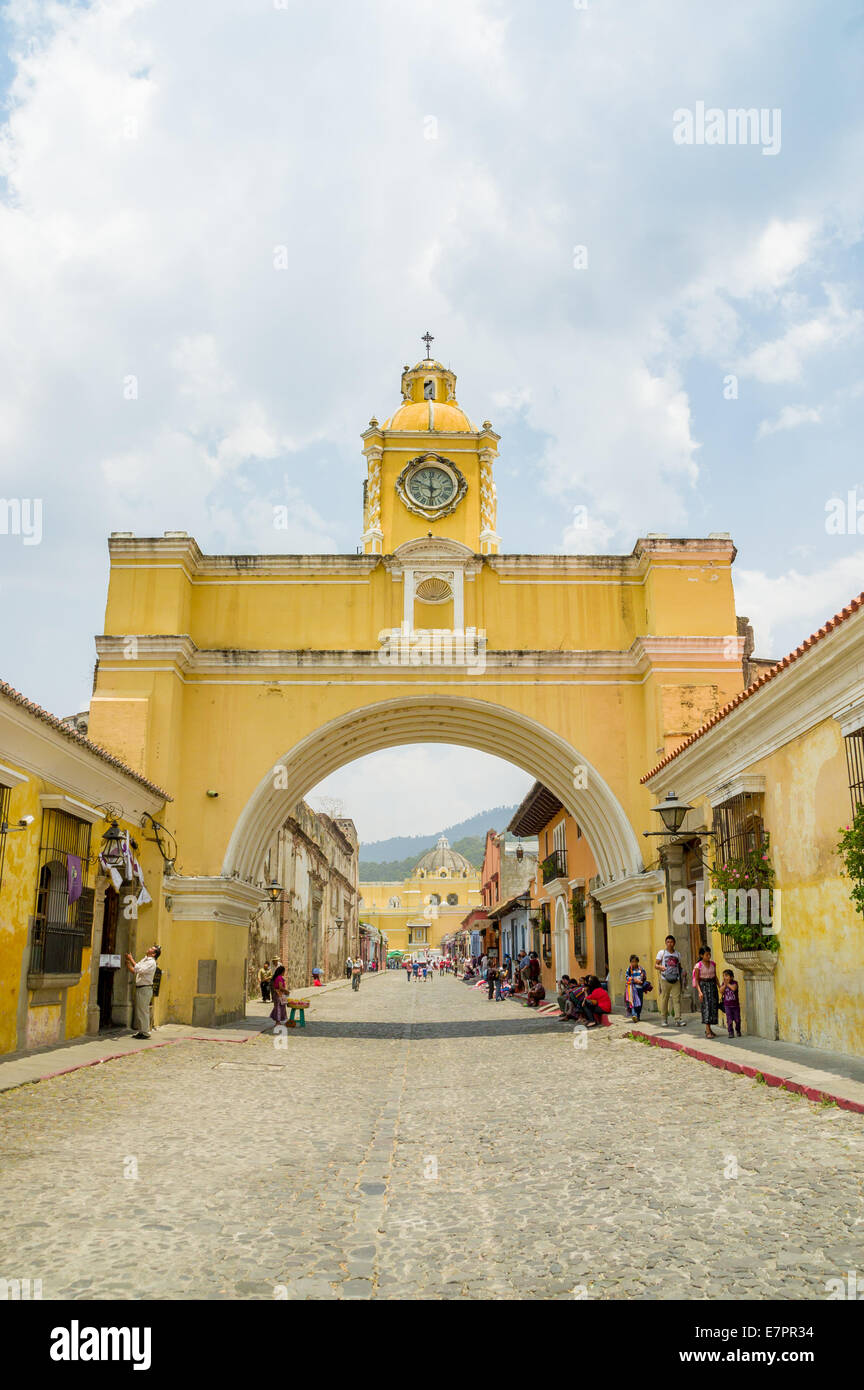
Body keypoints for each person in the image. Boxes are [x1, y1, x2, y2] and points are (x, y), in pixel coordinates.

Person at [125, 945, 161, 1039]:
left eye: (151, 949)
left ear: (153, 954)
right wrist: (129, 965)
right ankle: (141, 1031)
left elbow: (139, 969)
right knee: (140, 1011)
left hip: (145, 988)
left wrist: (131, 959)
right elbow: (136, 970)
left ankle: (145, 1032)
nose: (148, 948)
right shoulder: (145, 960)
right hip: (141, 988)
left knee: (143, 1011)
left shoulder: (152, 963)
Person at [655, 935, 686, 1027]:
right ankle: (664, 1019)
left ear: (674, 943)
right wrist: (661, 967)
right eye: (668, 942)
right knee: (665, 999)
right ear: (666, 943)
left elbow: (679, 966)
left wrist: (683, 972)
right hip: (665, 979)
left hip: (676, 979)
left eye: (671, 942)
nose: (670, 944)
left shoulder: (677, 954)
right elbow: (656, 965)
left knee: (677, 1000)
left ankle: (678, 1019)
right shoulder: (662, 953)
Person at [694, 945, 719, 1038]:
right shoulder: (698, 966)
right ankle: (707, 1030)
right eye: (706, 955)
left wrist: (719, 986)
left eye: (709, 954)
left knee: (713, 1007)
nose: (709, 956)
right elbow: (697, 980)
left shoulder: (713, 964)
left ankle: (709, 1029)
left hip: (712, 986)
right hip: (704, 987)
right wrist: (700, 992)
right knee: (706, 1008)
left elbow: (715, 976)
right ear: (701, 955)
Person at [624, 955, 647, 1021]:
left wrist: (642, 979)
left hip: (640, 988)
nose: (634, 963)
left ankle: (638, 1015)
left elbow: (645, 977)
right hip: (632, 989)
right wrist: (634, 980)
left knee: (639, 1002)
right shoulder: (629, 969)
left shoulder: (641, 969)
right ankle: (634, 1015)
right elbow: (627, 977)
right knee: (633, 1002)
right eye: (632, 962)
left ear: (637, 962)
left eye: (635, 962)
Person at [721, 970, 741, 1038]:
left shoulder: (735, 983)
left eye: (726, 976)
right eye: (723, 976)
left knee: (737, 1020)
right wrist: (724, 985)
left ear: (731, 977)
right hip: (727, 1006)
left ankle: (738, 1030)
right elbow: (721, 991)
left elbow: (733, 988)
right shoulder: (723, 984)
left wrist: (727, 984)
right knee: (729, 1020)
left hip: (735, 1006)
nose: (724, 977)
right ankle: (730, 1032)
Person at [269, 963, 288, 1029]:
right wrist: (286, 991)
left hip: (277, 994)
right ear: (282, 971)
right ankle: (277, 1022)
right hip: (279, 995)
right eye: (284, 971)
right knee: (279, 1008)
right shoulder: (279, 978)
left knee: (278, 1007)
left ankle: (278, 1022)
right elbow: (280, 987)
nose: (284, 973)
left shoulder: (277, 977)